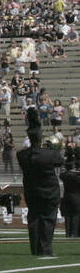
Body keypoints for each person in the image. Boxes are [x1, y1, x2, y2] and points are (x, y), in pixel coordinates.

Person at [18, 108, 63, 256]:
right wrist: (51, 147)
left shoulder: (21, 155)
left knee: (34, 218)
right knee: (48, 219)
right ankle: (46, 248)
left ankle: (35, 248)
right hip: (50, 191)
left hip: (32, 191)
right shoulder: (50, 154)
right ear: (41, 138)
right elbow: (60, 161)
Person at [60, 149, 80, 237]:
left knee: (68, 216)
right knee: (76, 215)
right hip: (76, 197)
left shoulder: (64, 175)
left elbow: (63, 175)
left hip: (66, 196)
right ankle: (74, 233)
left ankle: (68, 233)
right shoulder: (76, 177)